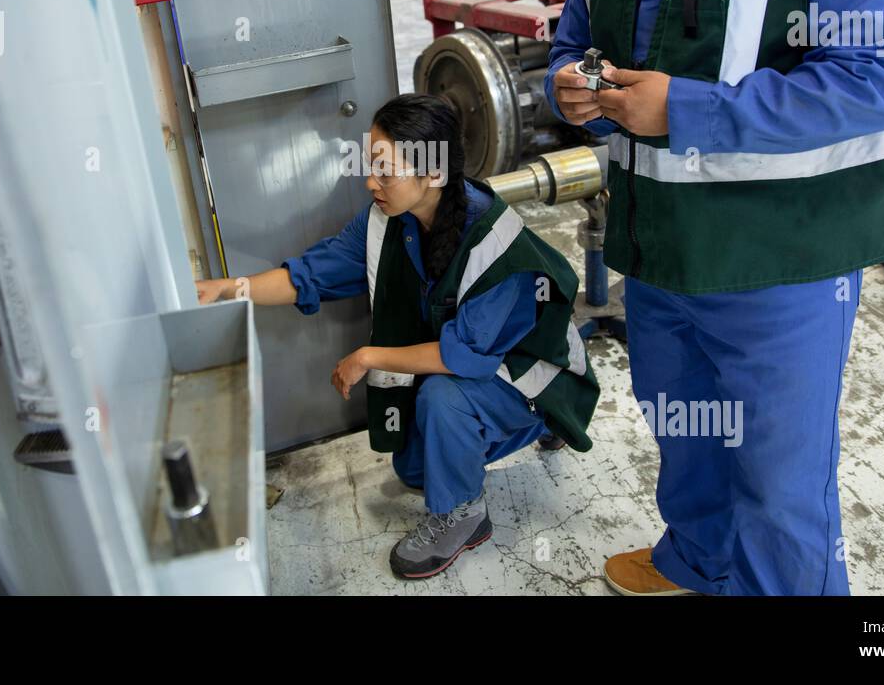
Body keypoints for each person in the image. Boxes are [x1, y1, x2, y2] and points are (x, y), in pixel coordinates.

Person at [516, 0, 884, 595]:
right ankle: (701, 561)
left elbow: (878, 84)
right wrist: (577, 86)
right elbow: (579, 50)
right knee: (690, 437)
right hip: (664, 255)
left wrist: (691, 109)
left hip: (777, 268)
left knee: (779, 483)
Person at [196, 95, 598, 579]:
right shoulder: (389, 221)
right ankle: (503, 439)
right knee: (414, 471)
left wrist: (367, 355)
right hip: (483, 367)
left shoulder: (494, 245)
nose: (370, 182)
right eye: (371, 165)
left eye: (385, 170)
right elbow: (311, 275)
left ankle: (468, 512)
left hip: (540, 373)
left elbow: (461, 358)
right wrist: (228, 289)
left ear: (431, 174)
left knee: (442, 400)